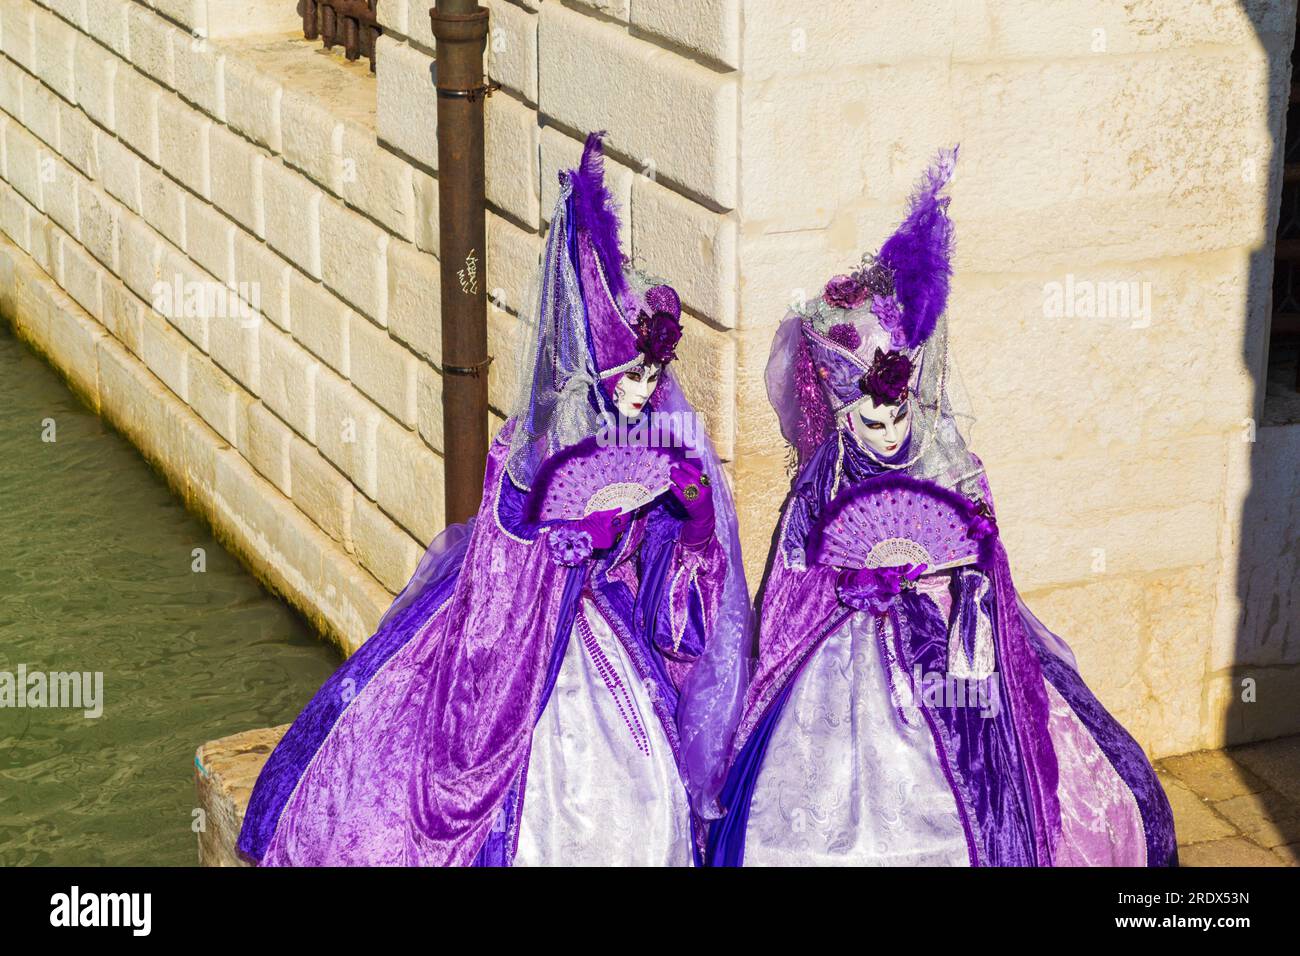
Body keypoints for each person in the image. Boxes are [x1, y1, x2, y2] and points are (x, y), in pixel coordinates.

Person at [237, 133, 751, 866]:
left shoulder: (663, 437)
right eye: (628, 378)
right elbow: (498, 585)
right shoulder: (529, 446)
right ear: (593, 368)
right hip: (526, 649)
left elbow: (680, 611)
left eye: (650, 378)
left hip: (613, 647)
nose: (642, 394)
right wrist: (571, 539)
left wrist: (696, 527)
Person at [706, 147, 1177, 867]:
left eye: (897, 413)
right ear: (836, 402)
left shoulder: (950, 465)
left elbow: (986, 564)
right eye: (869, 413)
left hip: (955, 666)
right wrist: (857, 590)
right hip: (840, 677)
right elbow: (791, 597)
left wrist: (953, 580)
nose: (887, 429)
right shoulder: (822, 481)